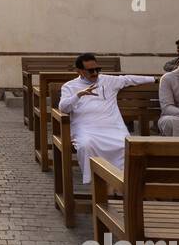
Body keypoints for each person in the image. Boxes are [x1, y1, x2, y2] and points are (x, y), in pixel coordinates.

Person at [58, 54, 157, 183]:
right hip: (86, 128)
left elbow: (129, 79)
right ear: (79, 71)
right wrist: (78, 95)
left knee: (125, 145)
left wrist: (154, 79)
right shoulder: (69, 86)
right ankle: (94, 183)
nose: (95, 73)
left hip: (112, 126)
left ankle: (122, 183)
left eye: (97, 69)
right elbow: (63, 108)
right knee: (86, 145)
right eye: (90, 70)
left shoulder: (108, 80)